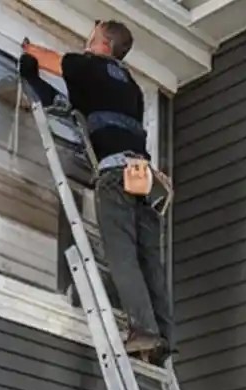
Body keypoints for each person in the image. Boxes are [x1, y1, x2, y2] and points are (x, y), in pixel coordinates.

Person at [21, 22, 174, 362]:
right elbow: (76, 107)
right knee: (150, 260)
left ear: (104, 44)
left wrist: (28, 51)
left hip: (117, 175)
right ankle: (164, 337)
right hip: (145, 179)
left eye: (92, 37)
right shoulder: (130, 87)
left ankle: (144, 331)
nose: (86, 41)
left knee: (122, 254)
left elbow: (49, 59)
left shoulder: (86, 65)